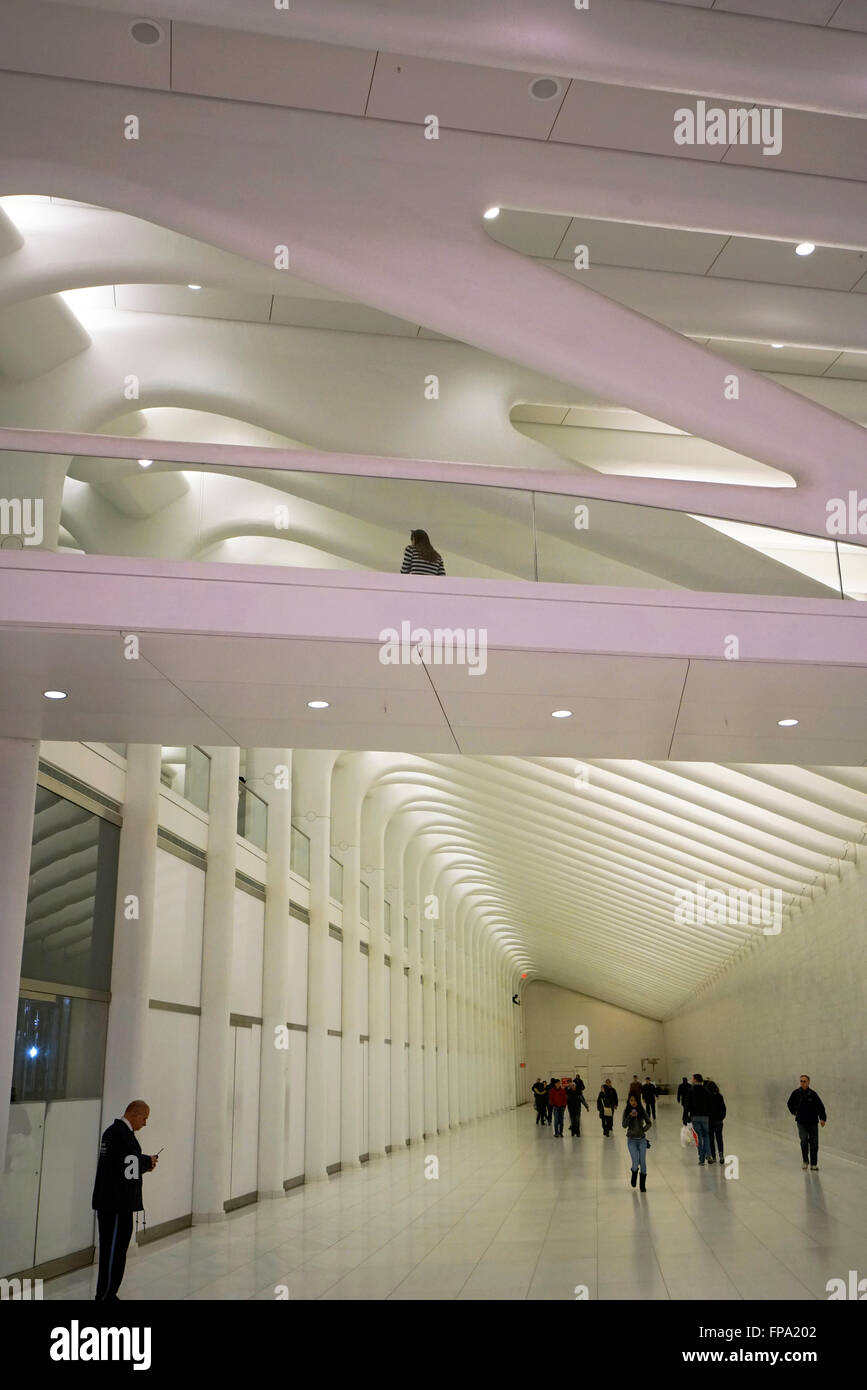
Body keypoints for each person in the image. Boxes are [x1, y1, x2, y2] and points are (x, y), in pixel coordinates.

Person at [91, 1099, 159, 1301]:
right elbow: (129, 1166)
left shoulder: (115, 1133)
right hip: (116, 1205)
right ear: (135, 1114)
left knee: (117, 1250)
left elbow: (123, 1165)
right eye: (144, 1119)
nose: (145, 1124)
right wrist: (147, 1162)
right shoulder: (122, 1135)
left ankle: (109, 1293)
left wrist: (143, 1161)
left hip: (116, 1203)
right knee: (113, 1251)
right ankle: (105, 1295)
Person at [787, 1074, 827, 1171]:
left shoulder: (813, 1094)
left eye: (804, 1081)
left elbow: (820, 1107)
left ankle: (813, 1164)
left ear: (808, 1082)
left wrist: (822, 1118)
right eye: (801, 1081)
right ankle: (805, 1161)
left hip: (813, 1122)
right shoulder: (796, 1093)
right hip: (801, 1122)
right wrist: (794, 1112)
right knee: (804, 1141)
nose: (802, 1083)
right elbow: (789, 1104)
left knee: (814, 1143)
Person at [622, 1092, 652, 1191]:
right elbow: (624, 1125)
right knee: (635, 1163)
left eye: (635, 1100)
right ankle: (634, 1174)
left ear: (638, 1101)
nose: (633, 1102)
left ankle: (642, 1185)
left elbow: (649, 1122)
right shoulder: (626, 1111)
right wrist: (630, 1116)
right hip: (631, 1141)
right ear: (628, 1101)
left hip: (642, 1140)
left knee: (643, 1162)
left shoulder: (642, 1110)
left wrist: (643, 1130)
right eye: (631, 1100)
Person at [689, 1074, 711, 1165]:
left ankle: (701, 1159)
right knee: (706, 1136)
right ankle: (708, 1154)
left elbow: (687, 1105)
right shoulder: (706, 1091)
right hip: (705, 1116)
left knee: (699, 1137)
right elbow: (710, 1104)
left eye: (692, 1078)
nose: (691, 1080)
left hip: (695, 1116)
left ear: (695, 1080)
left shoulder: (691, 1091)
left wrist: (686, 1116)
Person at [706, 1080, 726, 1165]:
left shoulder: (707, 1097)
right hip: (718, 1120)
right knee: (719, 1138)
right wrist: (721, 1117)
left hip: (710, 1120)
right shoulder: (719, 1096)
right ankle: (721, 1154)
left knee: (711, 1138)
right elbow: (723, 1108)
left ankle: (713, 1156)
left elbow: (705, 1109)